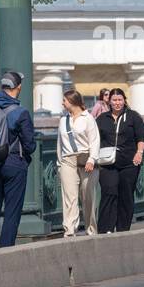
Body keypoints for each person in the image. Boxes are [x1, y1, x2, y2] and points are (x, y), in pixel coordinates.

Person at [0, 71, 37, 251]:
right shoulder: (20, 112)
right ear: (18, 88)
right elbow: (30, 145)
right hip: (13, 164)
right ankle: (5, 251)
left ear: (2, 86)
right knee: (12, 211)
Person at [97, 88, 144, 233]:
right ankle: (105, 228)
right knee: (109, 191)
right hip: (107, 163)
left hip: (129, 163)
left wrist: (139, 153)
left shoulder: (133, 117)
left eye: (120, 100)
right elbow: (95, 138)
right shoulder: (102, 118)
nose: (117, 103)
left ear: (124, 100)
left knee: (126, 194)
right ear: (109, 101)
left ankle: (123, 228)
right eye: (114, 100)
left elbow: (142, 137)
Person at [56, 89, 100, 237]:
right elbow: (60, 144)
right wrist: (59, 163)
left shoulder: (88, 118)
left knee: (88, 197)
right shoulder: (63, 120)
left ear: (72, 102)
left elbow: (94, 141)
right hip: (68, 160)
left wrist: (92, 159)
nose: (62, 103)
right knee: (70, 197)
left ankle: (91, 229)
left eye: (65, 100)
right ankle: (69, 230)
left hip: (86, 160)